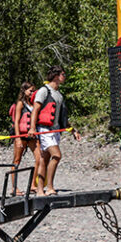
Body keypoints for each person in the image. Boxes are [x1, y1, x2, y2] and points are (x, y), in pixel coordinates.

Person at [30, 67, 68, 195]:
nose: (65, 76)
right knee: (57, 155)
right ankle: (50, 187)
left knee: (44, 160)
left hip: (55, 131)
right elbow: (35, 110)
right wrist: (32, 128)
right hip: (45, 130)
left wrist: (73, 130)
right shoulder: (44, 91)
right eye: (63, 74)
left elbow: (61, 115)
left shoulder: (59, 94)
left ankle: (40, 190)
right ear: (56, 76)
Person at [8, 83, 37, 195]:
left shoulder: (34, 103)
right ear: (24, 91)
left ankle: (33, 185)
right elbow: (16, 122)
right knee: (16, 160)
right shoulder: (20, 104)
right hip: (21, 136)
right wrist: (18, 138)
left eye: (33, 91)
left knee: (39, 158)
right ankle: (14, 188)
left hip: (32, 136)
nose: (32, 93)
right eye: (30, 91)